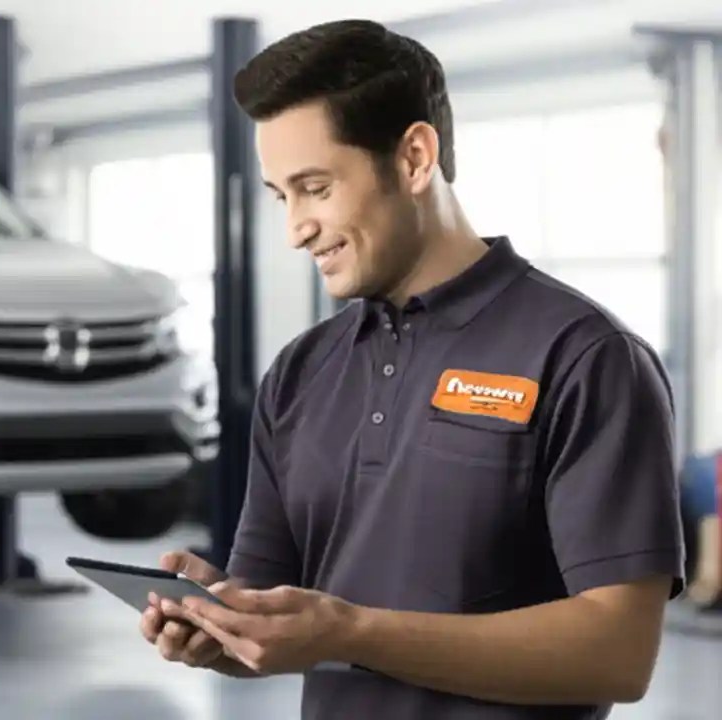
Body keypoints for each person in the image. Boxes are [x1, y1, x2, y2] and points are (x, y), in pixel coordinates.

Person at [140, 18, 685, 720]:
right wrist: (221, 625)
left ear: (415, 159)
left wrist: (350, 630)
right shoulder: (300, 374)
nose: (295, 227)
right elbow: (279, 609)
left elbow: (617, 652)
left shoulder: (584, 357)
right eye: (283, 196)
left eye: (315, 187)